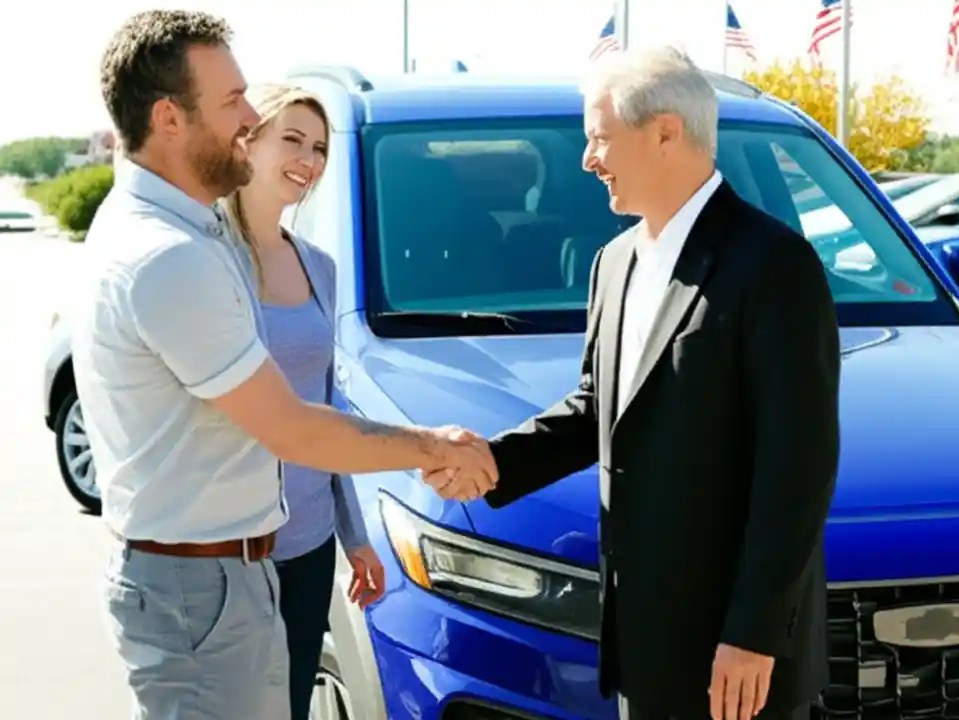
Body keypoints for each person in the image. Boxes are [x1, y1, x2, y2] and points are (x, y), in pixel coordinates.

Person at [76, 11, 494, 719]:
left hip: (219, 578)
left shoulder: (183, 230)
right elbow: (292, 429)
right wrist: (432, 448)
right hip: (199, 591)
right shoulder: (171, 256)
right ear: (169, 118)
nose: (249, 115)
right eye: (233, 100)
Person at [430, 46, 840, 720]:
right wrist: (493, 464)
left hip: (735, 658)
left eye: (598, 139)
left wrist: (752, 633)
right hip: (646, 644)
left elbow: (798, 468)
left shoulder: (773, 265)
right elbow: (601, 411)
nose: (588, 160)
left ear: (665, 133)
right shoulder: (614, 263)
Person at [216, 82, 383, 719]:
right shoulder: (209, 260)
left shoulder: (319, 266)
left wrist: (355, 535)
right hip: (230, 556)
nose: (308, 160)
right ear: (248, 140)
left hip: (309, 547)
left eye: (318, 148)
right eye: (292, 139)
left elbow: (326, 402)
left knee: (288, 706)